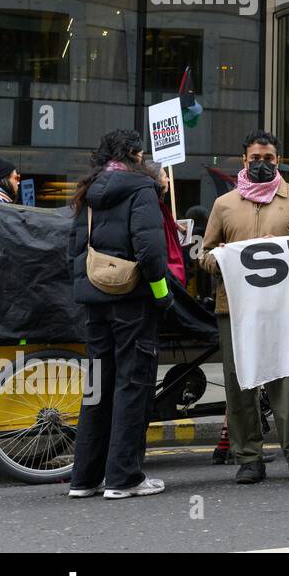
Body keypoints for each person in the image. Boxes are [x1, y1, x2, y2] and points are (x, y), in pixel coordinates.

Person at [199, 130, 289, 484]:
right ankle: (248, 458)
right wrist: (228, 259)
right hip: (235, 310)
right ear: (244, 161)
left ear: (278, 161)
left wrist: (282, 249)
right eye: (255, 158)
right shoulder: (224, 205)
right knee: (240, 384)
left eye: (268, 159)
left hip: (286, 307)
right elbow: (205, 255)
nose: (261, 164)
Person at [65, 130, 171, 499]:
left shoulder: (89, 191)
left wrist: (86, 292)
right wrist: (162, 297)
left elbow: (74, 248)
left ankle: (85, 478)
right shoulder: (141, 189)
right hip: (131, 302)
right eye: (140, 154)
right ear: (131, 154)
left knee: (96, 386)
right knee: (132, 384)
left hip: (95, 303)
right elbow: (152, 252)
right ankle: (124, 478)